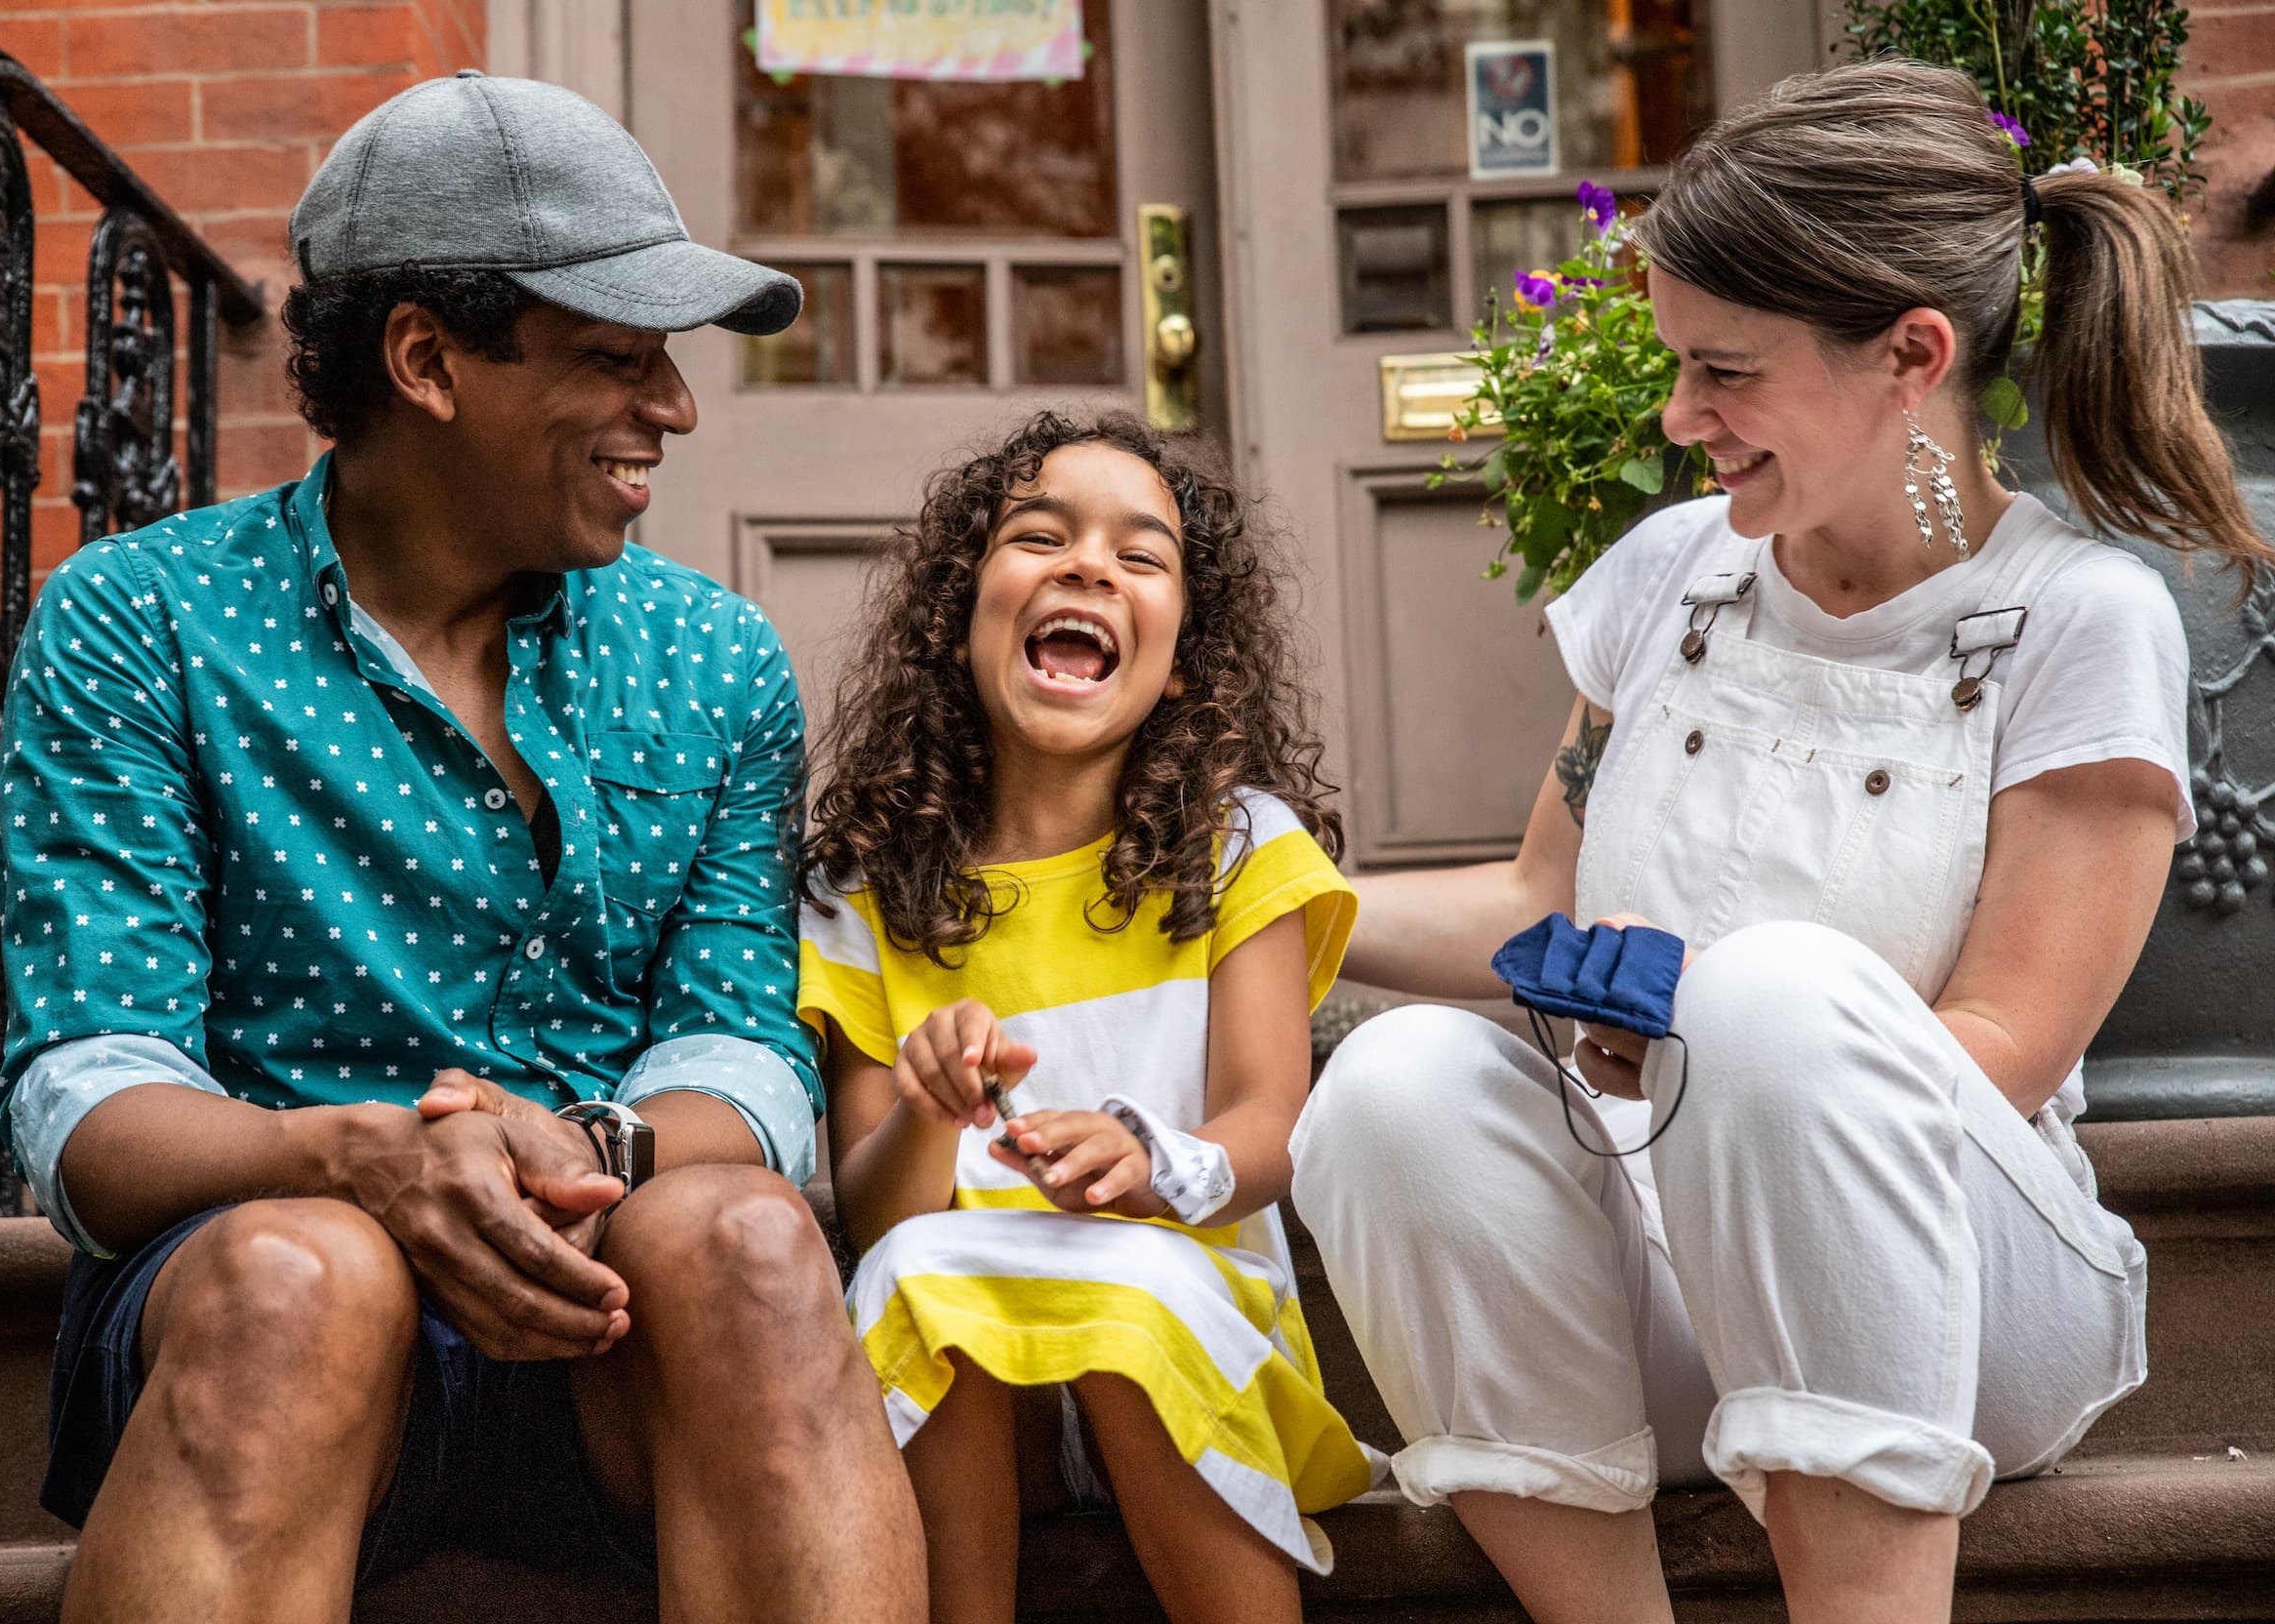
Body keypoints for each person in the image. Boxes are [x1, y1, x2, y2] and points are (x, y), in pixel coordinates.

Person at [1289, 59, 2271, 1624]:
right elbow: (1542, 896)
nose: (1680, 417)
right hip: (1667, 1281)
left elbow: (2002, 1047)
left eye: (1724, 372)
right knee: (1395, 1083)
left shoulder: (2079, 620)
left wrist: (1691, 1049)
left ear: (1911, 358)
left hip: (1953, 1301)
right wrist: (1277, 900)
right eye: (1679, 365)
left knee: (1771, 996)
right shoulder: (1669, 574)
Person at [0, 73, 924, 1623]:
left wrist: (590, 1153)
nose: (675, 408)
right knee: (304, 1280)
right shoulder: (140, 618)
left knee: (754, 1247)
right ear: (426, 360)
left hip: (611, 1311)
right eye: (617, 357)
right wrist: (361, 1155)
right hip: (266, 1321)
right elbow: (94, 1111)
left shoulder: (713, 658)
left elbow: (745, 1057)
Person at [797, 412, 1378, 1624]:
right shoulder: (864, 886)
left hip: (1197, 1337)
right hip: (979, 1383)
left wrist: (1155, 1163)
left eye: (1140, 554)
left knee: (1127, 1282)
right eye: (1039, 536)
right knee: (914, 1268)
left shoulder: (1239, 846)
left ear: (1186, 655)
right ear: (959, 614)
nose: (1088, 567)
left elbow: (1272, 1125)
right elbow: (878, 1215)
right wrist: (927, 1107)